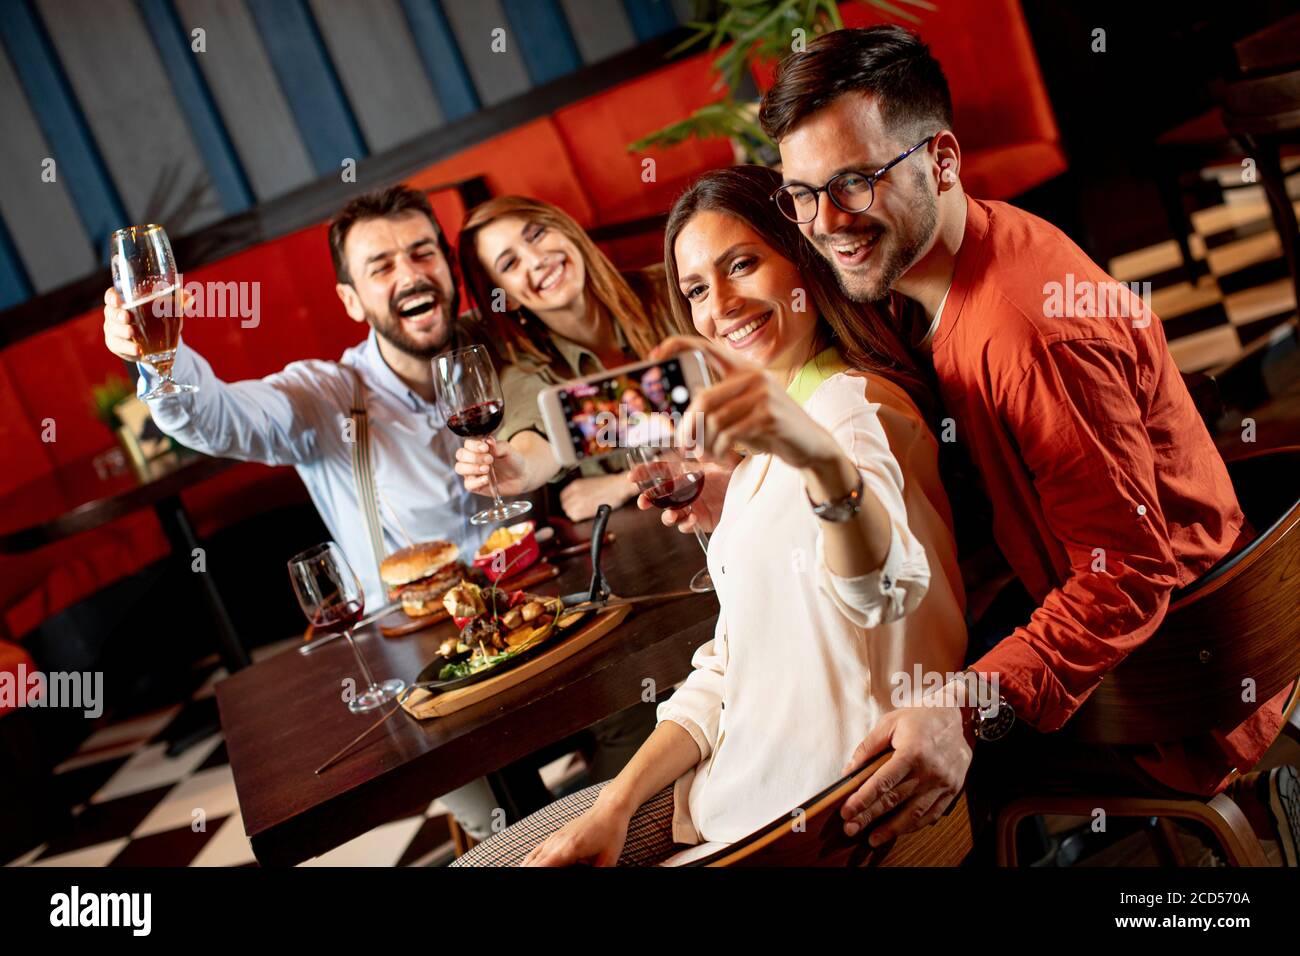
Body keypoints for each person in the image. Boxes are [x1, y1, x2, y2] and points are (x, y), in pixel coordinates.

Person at [760, 24, 1298, 860]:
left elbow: (1127, 578)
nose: (827, 222)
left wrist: (967, 705)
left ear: (941, 160)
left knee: (860, 770)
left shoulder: (1024, 330)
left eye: (855, 182)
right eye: (801, 193)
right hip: (1169, 618)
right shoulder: (952, 256)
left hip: (1180, 680)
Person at [452, 165, 966, 866]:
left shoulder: (848, 412)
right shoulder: (772, 424)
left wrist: (815, 465)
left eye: (743, 264)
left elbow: (885, 591)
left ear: (804, 259)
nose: (719, 305)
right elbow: (730, 663)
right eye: (697, 289)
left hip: (807, 821)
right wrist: (614, 807)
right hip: (728, 793)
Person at [102, 184, 510, 843]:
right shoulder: (325, 398)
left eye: (422, 252)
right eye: (380, 266)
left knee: (636, 743)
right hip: (424, 670)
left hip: (539, 615)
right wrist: (160, 356)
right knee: (505, 824)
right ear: (351, 299)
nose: (409, 275)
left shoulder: (502, 357)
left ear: (448, 265)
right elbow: (215, 417)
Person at [451, 196, 685, 522]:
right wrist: (521, 470)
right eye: (509, 264)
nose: (536, 260)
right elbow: (539, 441)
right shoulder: (526, 369)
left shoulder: (675, 289)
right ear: (508, 298)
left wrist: (626, 484)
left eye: (536, 235)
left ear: (565, 229)